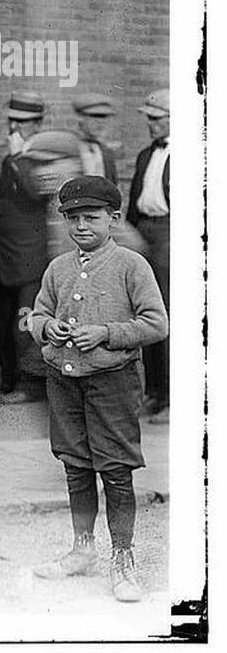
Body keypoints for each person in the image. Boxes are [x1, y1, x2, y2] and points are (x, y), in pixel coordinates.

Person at [28, 176, 168, 602]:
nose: (81, 226)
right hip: (64, 380)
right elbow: (34, 315)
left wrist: (106, 332)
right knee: (75, 463)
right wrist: (46, 327)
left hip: (113, 381)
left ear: (115, 218)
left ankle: (123, 559)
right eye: (73, 218)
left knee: (115, 468)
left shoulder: (131, 265)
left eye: (92, 217)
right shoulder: (58, 268)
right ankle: (82, 549)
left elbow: (156, 323)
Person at [0, 92, 52, 401]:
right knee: (0, 322)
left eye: (21, 122)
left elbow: (36, 193)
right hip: (6, 254)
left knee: (23, 324)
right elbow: (4, 208)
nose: (13, 127)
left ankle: (29, 387)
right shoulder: (11, 159)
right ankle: (8, 382)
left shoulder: (43, 157)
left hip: (30, 257)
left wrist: (18, 159)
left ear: (37, 124)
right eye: (11, 120)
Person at [127, 89, 170, 421]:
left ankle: (171, 396)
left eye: (156, 119)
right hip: (142, 233)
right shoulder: (145, 155)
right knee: (146, 314)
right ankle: (154, 393)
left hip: (171, 235)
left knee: (167, 314)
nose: (150, 125)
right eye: (149, 119)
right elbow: (132, 204)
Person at [70, 92, 119, 183]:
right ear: (80, 118)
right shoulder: (69, 149)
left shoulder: (106, 152)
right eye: (94, 116)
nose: (100, 122)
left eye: (104, 117)